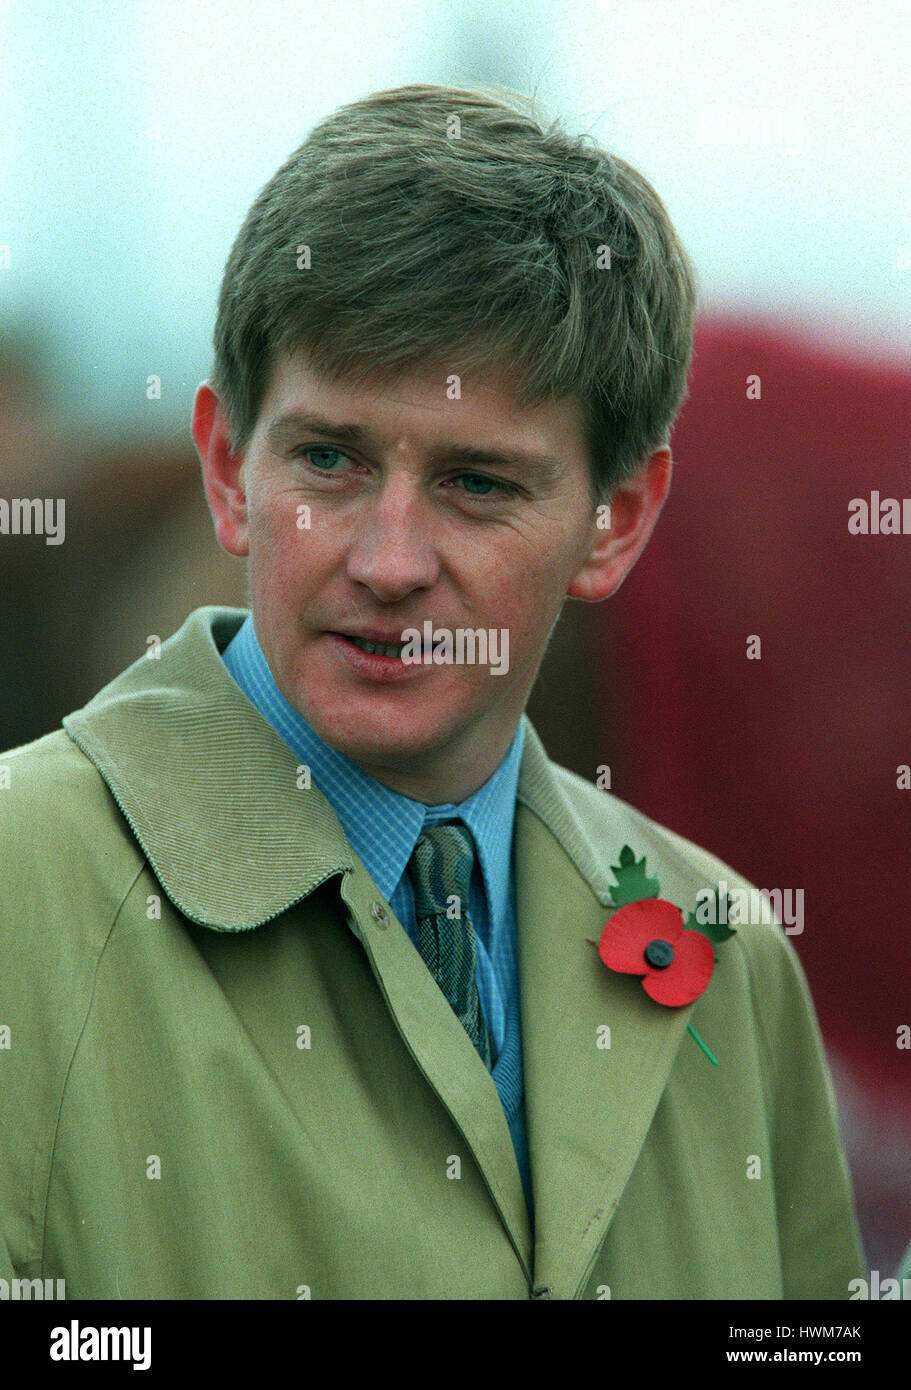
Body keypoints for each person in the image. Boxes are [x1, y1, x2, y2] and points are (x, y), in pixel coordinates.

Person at [0, 83, 865, 1300]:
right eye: (329, 459)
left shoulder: (727, 951)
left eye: (476, 484)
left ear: (615, 522)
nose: (388, 561)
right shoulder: (16, 900)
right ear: (225, 468)